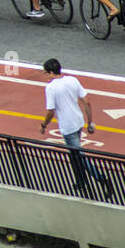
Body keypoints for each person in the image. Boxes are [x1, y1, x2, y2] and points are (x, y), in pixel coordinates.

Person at [40, 59, 112, 197]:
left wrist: (43, 125)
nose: (45, 76)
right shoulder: (72, 80)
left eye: (45, 73)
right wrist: (90, 122)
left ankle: (102, 179)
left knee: (79, 156)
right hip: (79, 121)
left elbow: (50, 111)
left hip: (68, 127)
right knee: (74, 155)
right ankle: (80, 182)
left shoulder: (51, 88)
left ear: (50, 72)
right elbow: (87, 101)